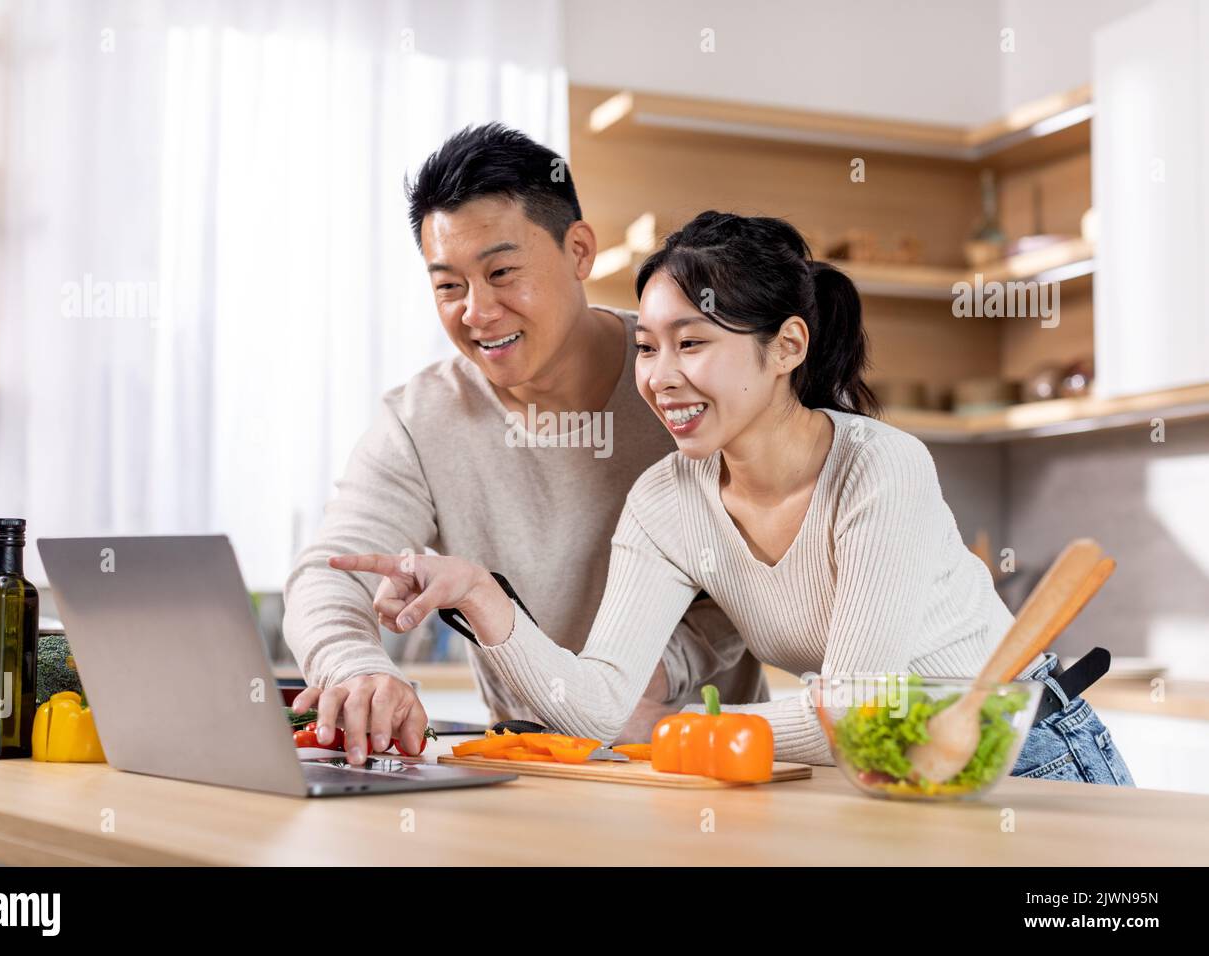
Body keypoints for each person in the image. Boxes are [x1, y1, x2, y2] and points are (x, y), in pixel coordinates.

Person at [331, 210, 1136, 785]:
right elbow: (602, 704)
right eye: (647, 347)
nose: (660, 377)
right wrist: (483, 600)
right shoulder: (667, 500)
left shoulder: (879, 469)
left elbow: (858, 709)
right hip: (887, 775)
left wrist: (686, 731)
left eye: (692, 343)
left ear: (786, 346)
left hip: (1021, 755)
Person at [283, 128, 767, 767]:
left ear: (579, 251)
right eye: (448, 286)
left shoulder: (686, 379)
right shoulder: (420, 419)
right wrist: (356, 667)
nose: (477, 312)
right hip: (529, 763)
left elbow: (773, 552)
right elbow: (331, 570)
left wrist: (659, 670)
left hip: (701, 758)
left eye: (502, 273)